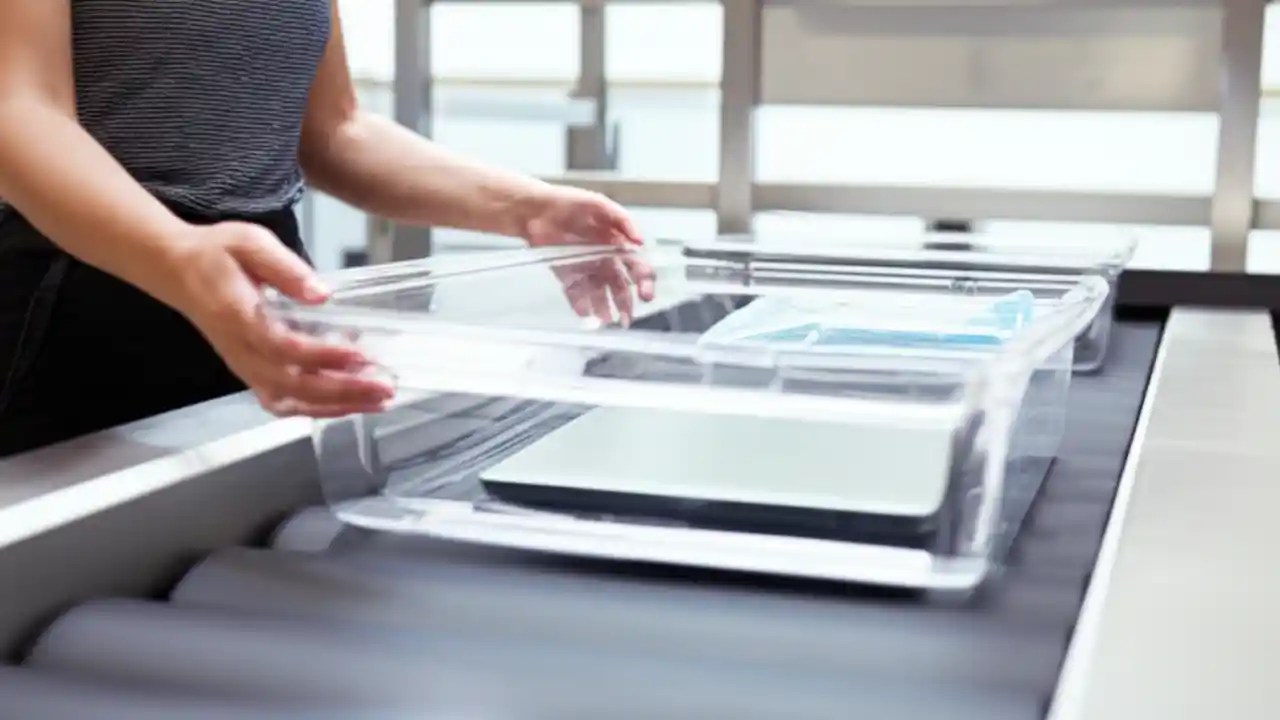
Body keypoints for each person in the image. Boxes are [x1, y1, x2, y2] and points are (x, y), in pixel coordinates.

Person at [0, 0, 653, 457]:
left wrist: (526, 208)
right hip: (75, 291)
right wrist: (177, 251)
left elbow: (335, 132)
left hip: (261, 288)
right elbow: (19, 110)